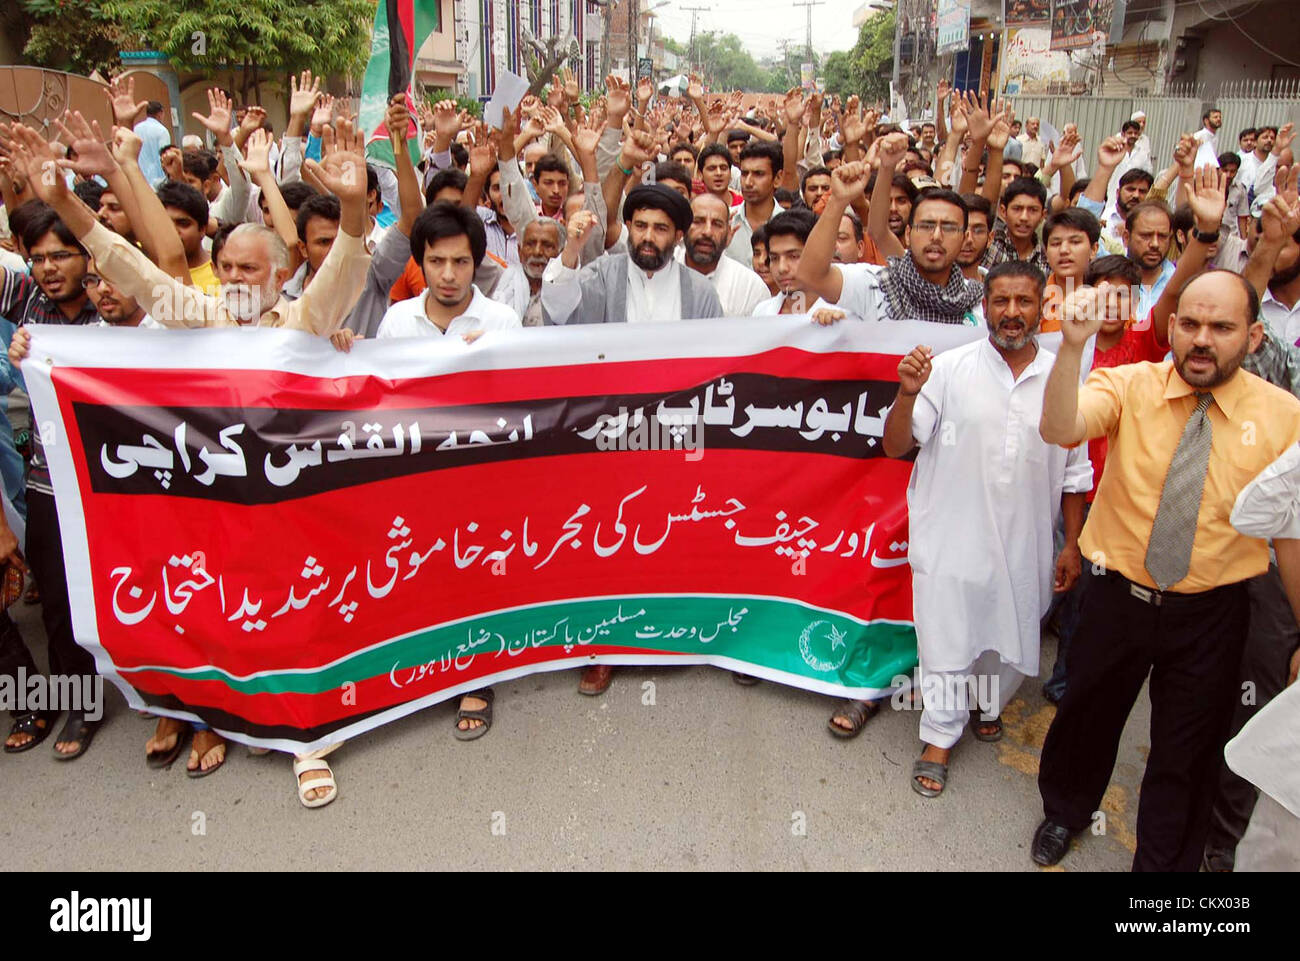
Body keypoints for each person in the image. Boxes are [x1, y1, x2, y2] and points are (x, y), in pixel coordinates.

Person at [1033, 249, 1300, 868]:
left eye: (1222, 328)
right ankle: (1065, 812)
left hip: (1214, 613)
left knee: (1187, 749)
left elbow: (1290, 533)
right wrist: (1071, 347)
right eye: (1189, 324)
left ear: (1254, 336)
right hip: (1114, 595)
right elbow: (1060, 427)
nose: (1201, 341)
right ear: (1171, 324)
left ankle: (1161, 869)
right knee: (1086, 718)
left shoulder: (1284, 419)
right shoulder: (1131, 383)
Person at [882, 260, 1091, 796]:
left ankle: (989, 703)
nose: (1012, 313)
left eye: (1024, 302)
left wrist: (1070, 544)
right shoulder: (949, 368)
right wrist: (906, 393)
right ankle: (939, 736)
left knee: (1012, 626)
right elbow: (896, 445)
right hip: (950, 534)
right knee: (946, 636)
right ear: (985, 306)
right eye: (1001, 301)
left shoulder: (1064, 376)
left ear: (1043, 307)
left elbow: (1074, 474)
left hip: (1027, 539)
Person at [798, 158, 982, 325]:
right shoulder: (875, 286)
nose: (936, 236)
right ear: (908, 234)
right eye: (926, 226)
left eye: (949, 228)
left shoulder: (980, 305)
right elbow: (812, 275)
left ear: (964, 238)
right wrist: (838, 201)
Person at [679, 192, 769, 316]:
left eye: (717, 224)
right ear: (684, 227)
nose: (707, 232)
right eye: (698, 221)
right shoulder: (660, 274)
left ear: (728, 232)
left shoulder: (751, 288)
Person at [752, 209, 832, 315]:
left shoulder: (845, 314)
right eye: (774, 258)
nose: (782, 268)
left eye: (793, 256)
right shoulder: (762, 312)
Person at [492, 217, 563, 327]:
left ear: (560, 253)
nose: (537, 252)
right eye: (530, 244)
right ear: (519, 251)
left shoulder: (568, 290)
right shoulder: (505, 285)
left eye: (547, 245)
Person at [1038, 207, 1100, 331]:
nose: (1064, 250)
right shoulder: (1035, 302)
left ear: (1093, 250)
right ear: (1046, 252)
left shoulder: (1110, 302)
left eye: (1075, 242)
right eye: (1056, 244)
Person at [724, 141, 785, 265]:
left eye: (759, 174)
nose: (748, 182)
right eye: (744, 173)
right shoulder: (724, 222)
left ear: (777, 178)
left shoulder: (790, 227)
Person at [983, 177, 1048, 273]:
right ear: (1003, 211)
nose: (1024, 217)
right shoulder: (988, 246)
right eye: (1017, 209)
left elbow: (1069, 282)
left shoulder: (1047, 259)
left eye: (1033, 210)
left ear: (1043, 215)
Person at [134, 99, 172, 188]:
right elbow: (165, 156)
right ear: (160, 113)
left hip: (139, 179)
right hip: (159, 181)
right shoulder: (162, 131)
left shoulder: (136, 128)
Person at [956, 193, 993, 280]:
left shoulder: (998, 289)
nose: (969, 239)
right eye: (961, 229)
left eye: (978, 231)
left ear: (990, 238)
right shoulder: (925, 289)